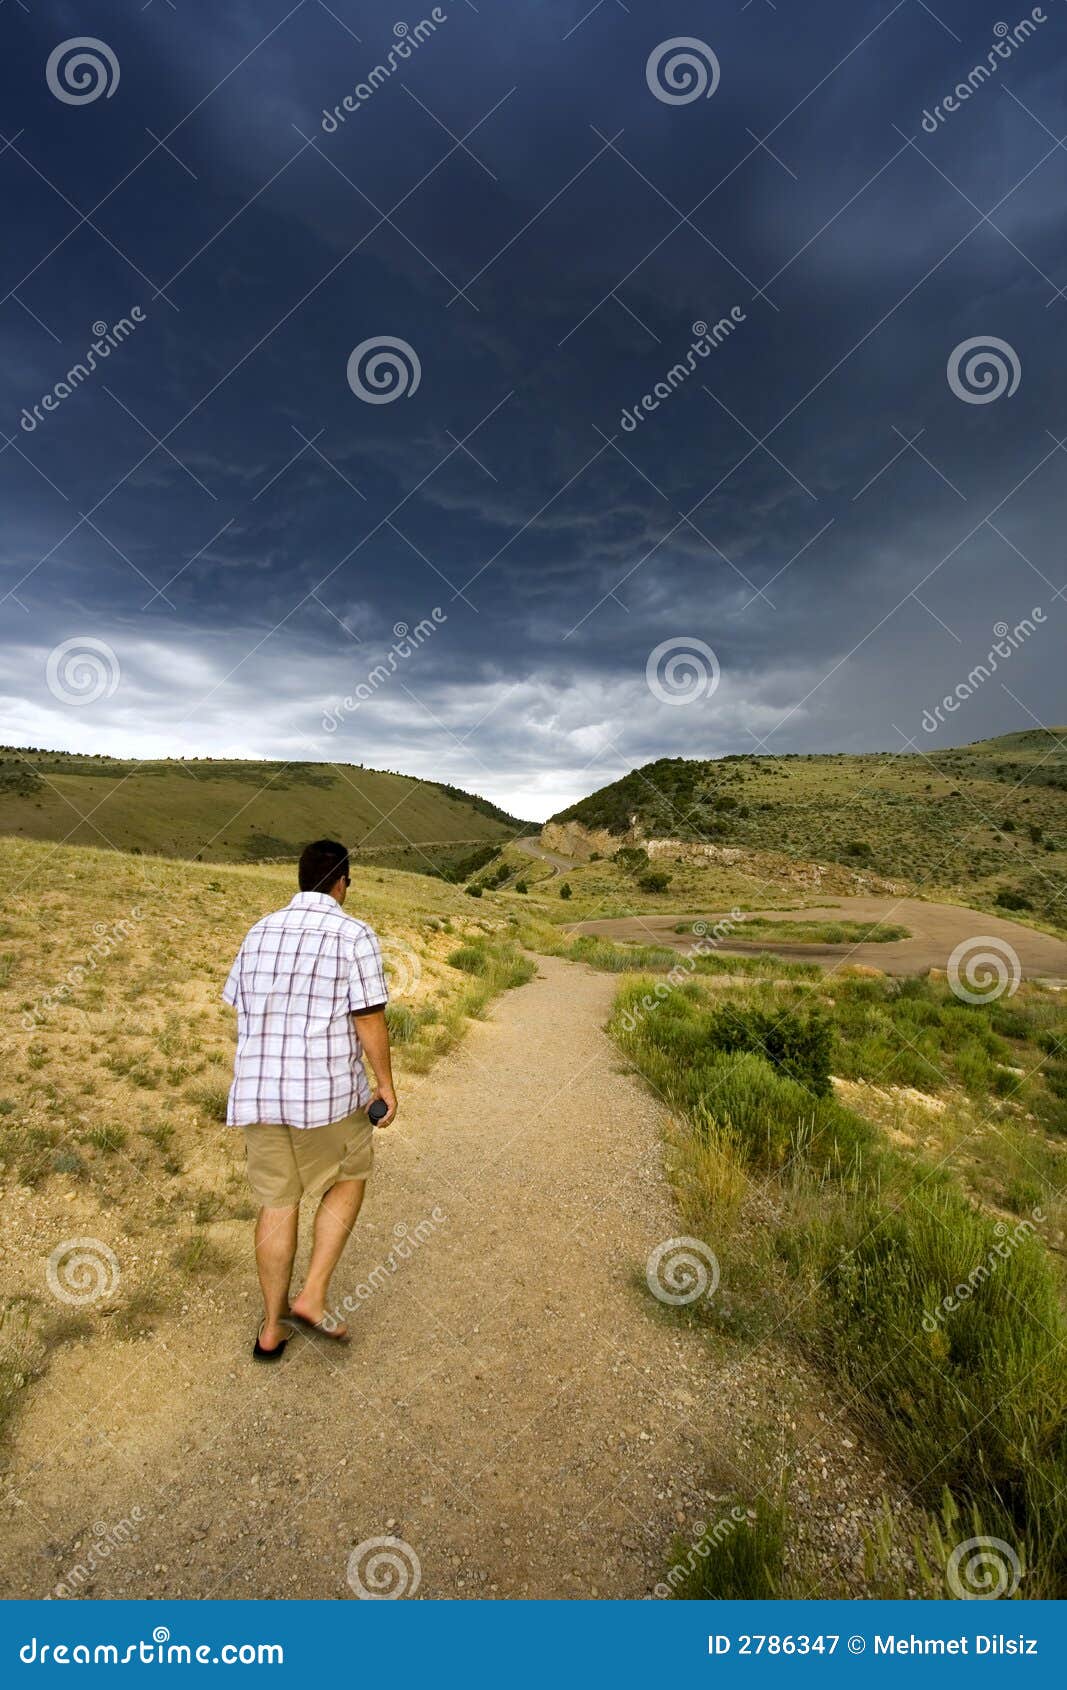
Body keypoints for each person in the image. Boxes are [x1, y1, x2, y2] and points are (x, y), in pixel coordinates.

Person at [221, 838, 397, 1360]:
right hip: (327, 1094)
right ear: (342, 883)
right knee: (350, 1176)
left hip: (260, 1093)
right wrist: (385, 1084)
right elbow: (368, 1017)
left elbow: (240, 1004)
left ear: (301, 880)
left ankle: (271, 1329)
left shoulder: (258, 931)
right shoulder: (355, 935)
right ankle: (312, 1295)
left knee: (278, 1203)